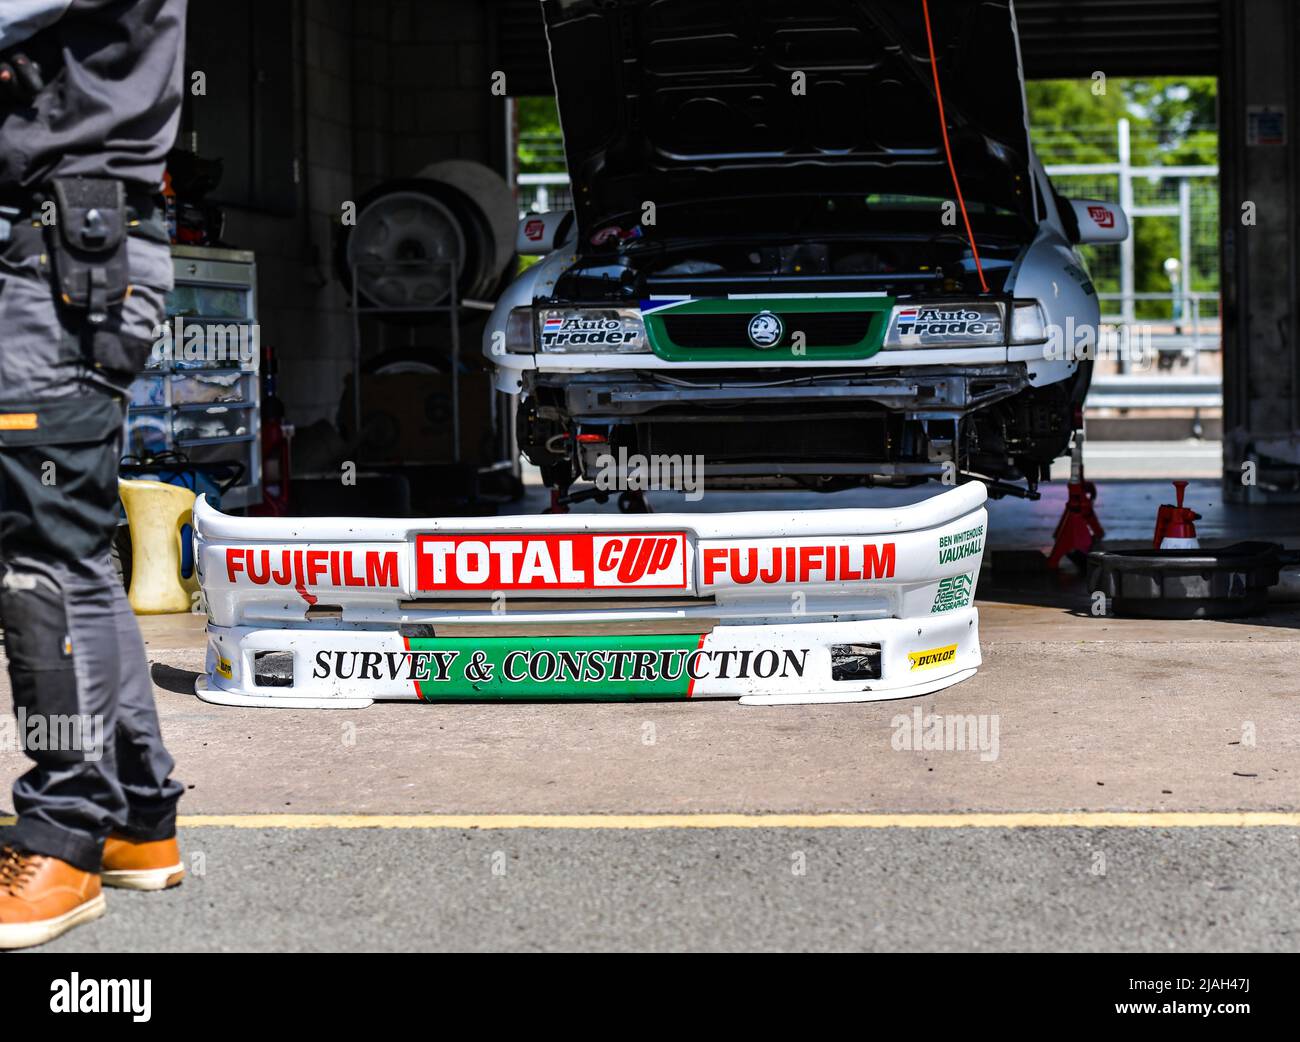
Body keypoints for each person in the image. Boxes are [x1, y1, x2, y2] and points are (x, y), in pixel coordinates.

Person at [0, 0, 188, 949]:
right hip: (74, 247)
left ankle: (63, 833)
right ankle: (134, 819)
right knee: (68, 548)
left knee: (36, 557)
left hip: (66, 255)